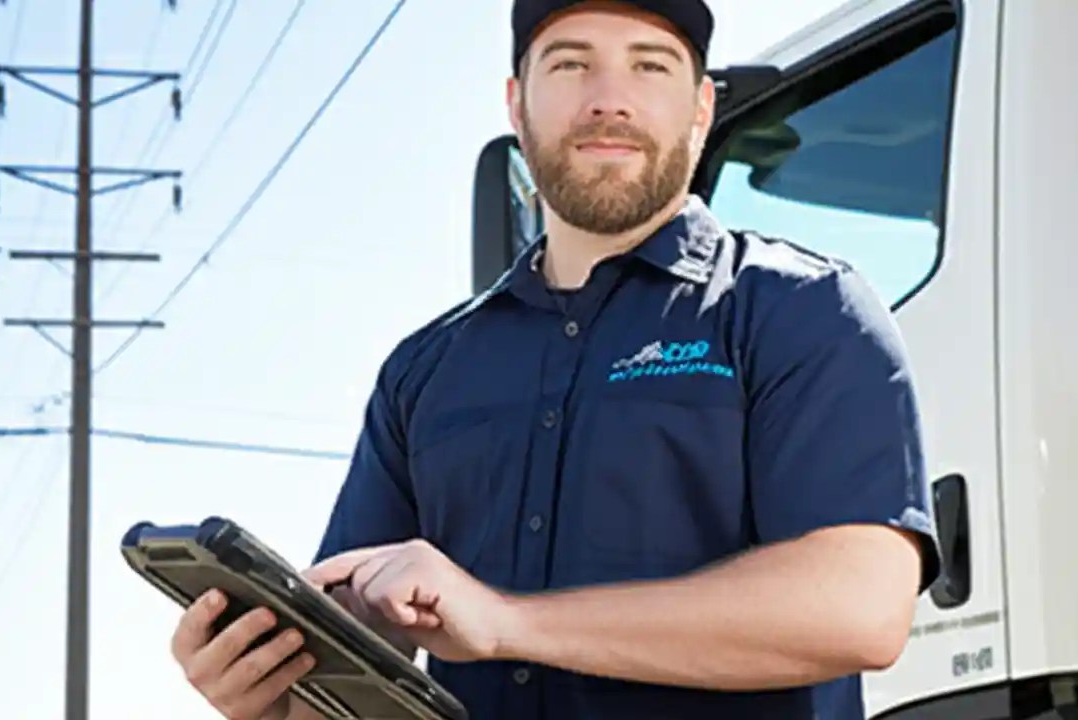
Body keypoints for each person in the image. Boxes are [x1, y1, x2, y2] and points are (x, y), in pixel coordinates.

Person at [168, 1, 942, 718]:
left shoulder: (803, 310)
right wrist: (279, 695)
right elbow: (352, 659)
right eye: (571, 65)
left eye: (649, 66)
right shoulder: (425, 371)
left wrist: (508, 623)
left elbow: (860, 610)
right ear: (516, 103)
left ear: (701, 109)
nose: (610, 99)